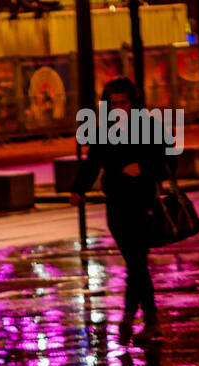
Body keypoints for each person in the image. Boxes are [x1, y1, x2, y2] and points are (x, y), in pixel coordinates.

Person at [70, 77, 168, 346]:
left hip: (142, 204)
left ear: (133, 102)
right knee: (135, 263)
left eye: (122, 103)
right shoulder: (106, 131)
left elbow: (166, 162)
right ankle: (138, 318)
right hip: (116, 204)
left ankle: (140, 319)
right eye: (112, 104)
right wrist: (78, 188)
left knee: (136, 263)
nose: (117, 108)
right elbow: (93, 163)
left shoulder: (149, 127)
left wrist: (143, 168)